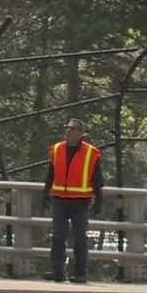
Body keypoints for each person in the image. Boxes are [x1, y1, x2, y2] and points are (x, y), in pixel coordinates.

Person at [42, 118, 103, 284]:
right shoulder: (57, 149)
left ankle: (80, 274)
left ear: (81, 133)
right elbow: (50, 173)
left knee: (79, 238)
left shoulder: (91, 153)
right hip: (59, 200)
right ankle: (58, 272)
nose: (68, 131)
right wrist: (45, 193)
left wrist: (99, 200)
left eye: (73, 128)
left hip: (81, 202)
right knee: (58, 237)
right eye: (67, 128)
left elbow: (97, 179)